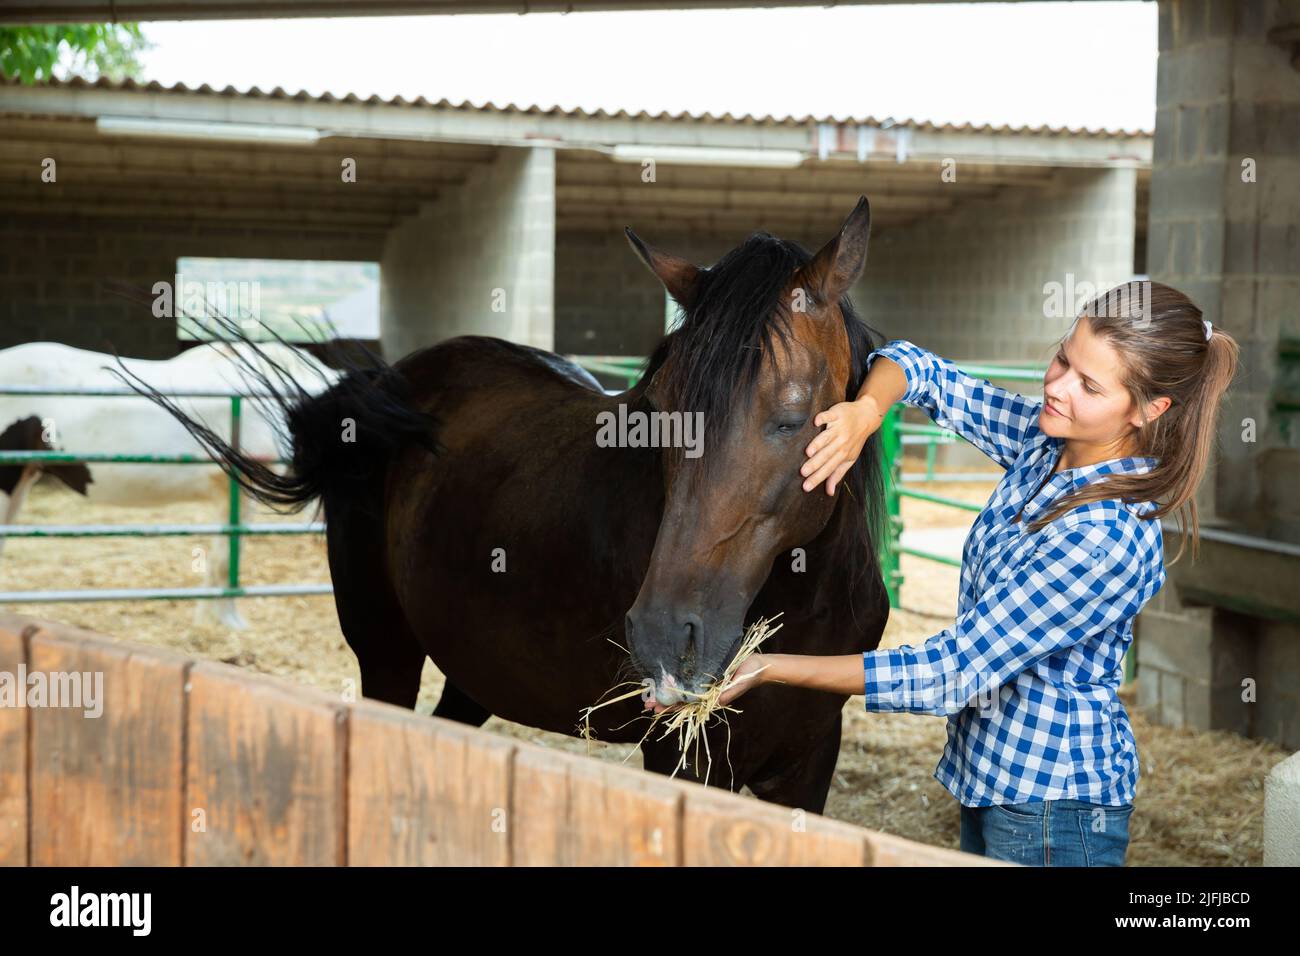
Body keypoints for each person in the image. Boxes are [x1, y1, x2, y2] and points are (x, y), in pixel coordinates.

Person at [655, 281, 1238, 866]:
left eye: (1088, 385)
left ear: (1148, 409)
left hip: (1054, 810)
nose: (1057, 387)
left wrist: (764, 666)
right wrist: (866, 411)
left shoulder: (1104, 537)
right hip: (998, 788)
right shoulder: (1047, 443)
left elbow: (951, 672)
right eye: (1063, 357)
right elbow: (917, 367)